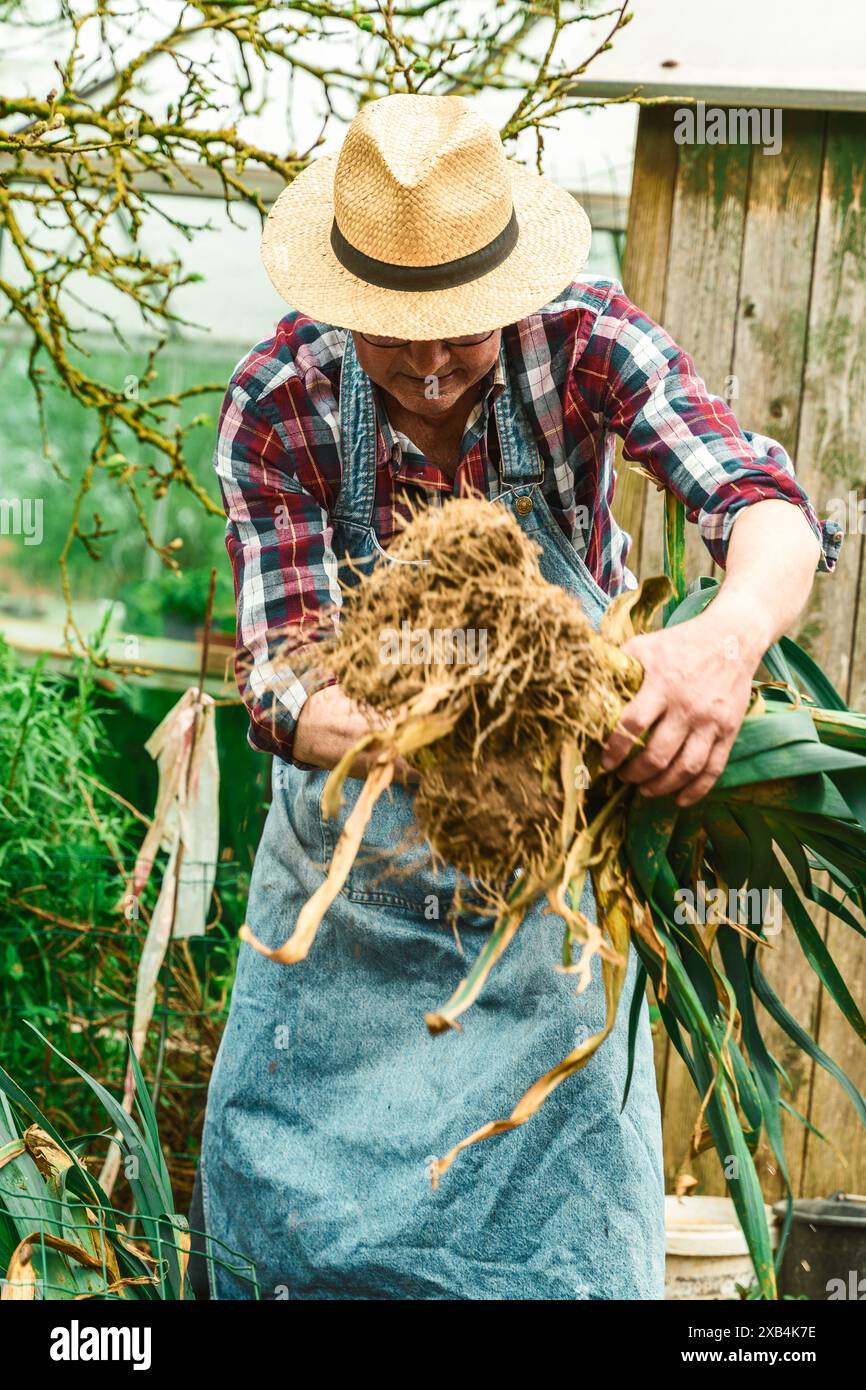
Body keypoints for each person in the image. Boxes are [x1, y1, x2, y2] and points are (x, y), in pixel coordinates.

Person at [197, 93, 838, 1301]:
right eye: (398, 334)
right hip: (354, 877)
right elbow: (283, 680)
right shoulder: (277, 402)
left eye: (463, 328)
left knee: (554, 1251)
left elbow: (761, 506)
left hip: (547, 888)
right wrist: (458, 726)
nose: (433, 365)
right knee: (293, 1246)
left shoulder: (581, 340)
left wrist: (723, 640)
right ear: (342, 302)